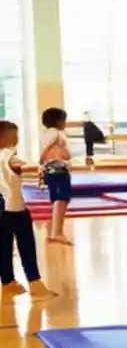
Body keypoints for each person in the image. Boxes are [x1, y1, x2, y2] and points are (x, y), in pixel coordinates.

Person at [0, 121, 56, 300]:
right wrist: (39, 168)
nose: (17, 138)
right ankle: (35, 282)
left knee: (4, 246)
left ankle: (8, 282)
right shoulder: (8, 154)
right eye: (13, 135)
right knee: (26, 246)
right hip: (15, 208)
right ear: (3, 138)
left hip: (3, 208)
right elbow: (19, 165)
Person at [39, 107, 73, 245]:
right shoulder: (54, 133)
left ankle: (57, 231)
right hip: (56, 167)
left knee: (60, 199)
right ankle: (56, 232)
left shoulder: (53, 133)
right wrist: (41, 162)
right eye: (64, 120)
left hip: (58, 167)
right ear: (58, 121)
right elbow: (46, 148)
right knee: (61, 198)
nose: (65, 123)